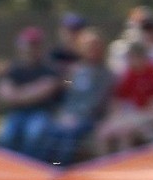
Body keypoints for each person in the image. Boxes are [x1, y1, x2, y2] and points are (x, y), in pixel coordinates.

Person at [93, 40, 153, 155]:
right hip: (135, 115)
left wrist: (130, 121)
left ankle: (125, 169)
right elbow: (118, 99)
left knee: (125, 132)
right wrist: (116, 119)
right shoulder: (130, 73)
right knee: (103, 132)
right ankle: (104, 168)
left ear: (141, 57)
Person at [47, 28, 114, 164]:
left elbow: (97, 101)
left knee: (69, 137)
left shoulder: (105, 74)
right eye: (88, 46)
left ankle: (62, 172)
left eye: (95, 46)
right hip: (68, 115)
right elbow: (67, 89)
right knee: (49, 133)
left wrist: (76, 117)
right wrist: (64, 81)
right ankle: (46, 172)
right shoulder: (75, 70)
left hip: (88, 119)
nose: (92, 50)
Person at [0, 27, 63, 153]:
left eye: (34, 45)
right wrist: (29, 91)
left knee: (34, 134)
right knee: (6, 135)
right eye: (27, 45)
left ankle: (31, 170)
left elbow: (45, 89)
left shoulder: (49, 69)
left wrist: (18, 93)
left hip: (41, 113)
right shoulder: (13, 69)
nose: (30, 49)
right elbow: (5, 93)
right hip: (16, 114)